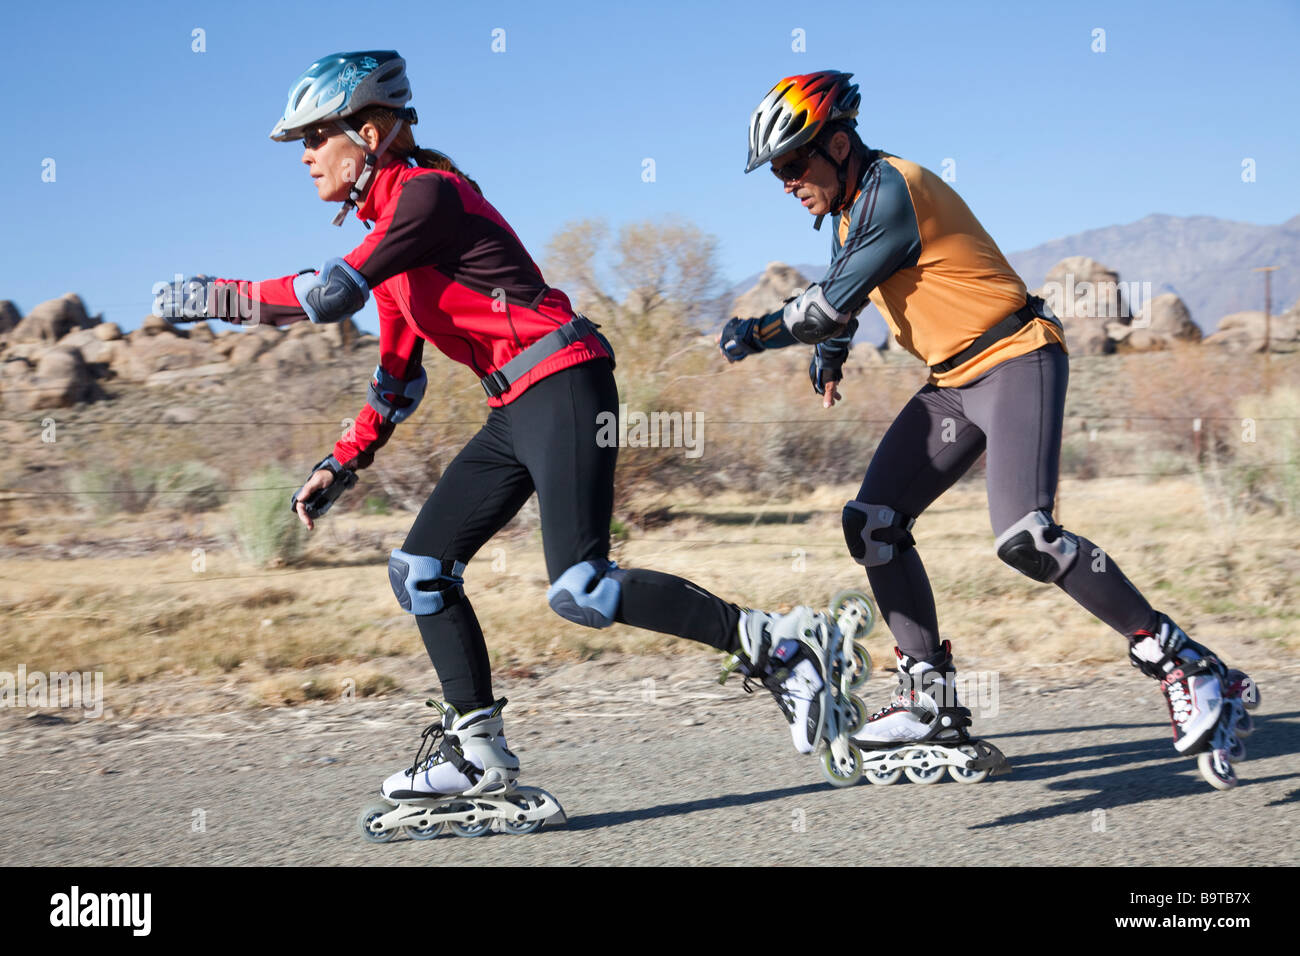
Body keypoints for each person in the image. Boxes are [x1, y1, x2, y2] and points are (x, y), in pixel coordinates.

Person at [157, 52, 858, 833]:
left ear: (370, 131)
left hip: (564, 380)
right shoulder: (388, 241)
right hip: (513, 406)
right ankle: (476, 752)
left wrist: (218, 297)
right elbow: (398, 379)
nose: (306, 156)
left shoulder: (428, 195)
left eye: (316, 137)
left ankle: (780, 647)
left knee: (581, 588)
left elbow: (324, 295)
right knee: (421, 570)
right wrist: (341, 461)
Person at [720, 70, 1257, 789]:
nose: (785, 182)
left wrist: (752, 333)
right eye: (777, 171)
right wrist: (832, 354)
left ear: (838, 143)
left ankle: (1180, 660)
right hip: (952, 384)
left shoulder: (890, 190)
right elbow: (848, 293)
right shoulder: (854, 211)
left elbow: (825, 303)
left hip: (1015, 358)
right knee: (872, 523)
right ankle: (928, 698)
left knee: (1025, 537)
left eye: (792, 163)